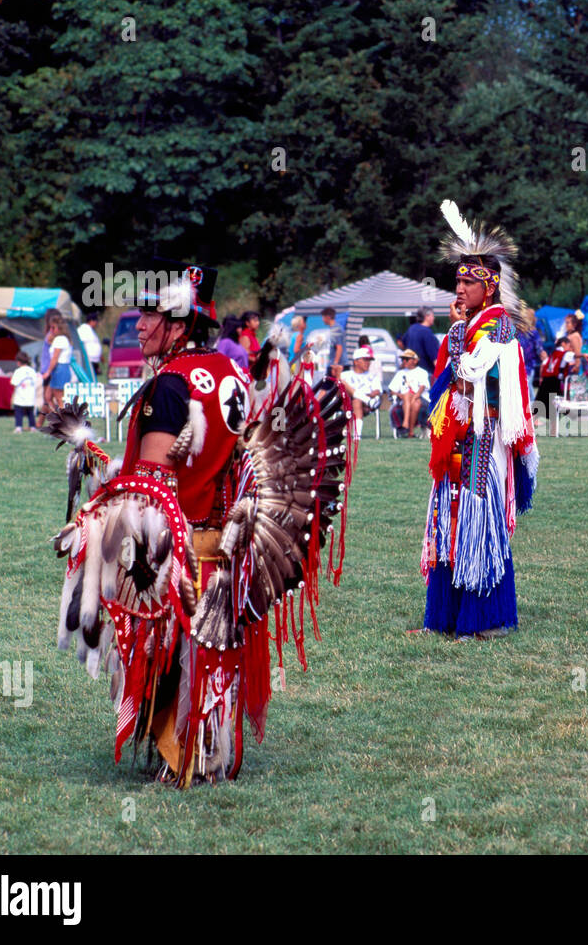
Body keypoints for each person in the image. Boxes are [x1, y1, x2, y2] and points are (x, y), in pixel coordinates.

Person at [43, 265, 354, 787]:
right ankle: (202, 753)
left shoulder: (168, 385)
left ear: (181, 325)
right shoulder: (230, 372)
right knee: (207, 661)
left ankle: (183, 757)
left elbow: (155, 484)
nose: (138, 325)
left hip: (177, 556)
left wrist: (101, 511)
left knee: (174, 655)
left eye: (150, 316)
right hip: (219, 552)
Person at [422, 199, 539, 638]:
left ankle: (486, 619)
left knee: (479, 525)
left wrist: (457, 344)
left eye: (468, 283)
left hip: (485, 442)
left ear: (488, 288)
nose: (459, 291)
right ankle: (446, 617)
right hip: (458, 437)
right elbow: (448, 382)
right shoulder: (464, 328)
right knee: (448, 521)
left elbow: (471, 372)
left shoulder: (497, 327)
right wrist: (455, 338)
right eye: (457, 282)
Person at [340, 347, 383, 438]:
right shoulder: (345, 375)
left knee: (357, 401)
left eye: (369, 360)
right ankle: (357, 435)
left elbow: (377, 391)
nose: (368, 363)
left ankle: (357, 434)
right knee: (341, 382)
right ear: (356, 361)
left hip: (364, 406)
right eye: (365, 360)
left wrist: (364, 396)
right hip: (345, 403)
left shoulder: (373, 376)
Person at [388, 349, 430, 437]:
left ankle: (406, 423)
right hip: (405, 400)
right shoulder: (400, 373)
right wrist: (400, 395)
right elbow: (392, 390)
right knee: (412, 400)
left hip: (421, 398)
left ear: (415, 361)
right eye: (403, 359)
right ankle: (411, 432)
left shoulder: (422, 372)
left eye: (406, 359)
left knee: (414, 400)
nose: (404, 361)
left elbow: (422, 387)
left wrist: (414, 397)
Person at [43, 315, 74, 412]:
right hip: (59, 369)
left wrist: (48, 372)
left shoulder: (60, 339)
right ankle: (57, 416)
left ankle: (64, 420)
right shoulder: (61, 339)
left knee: (59, 398)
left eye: (53, 327)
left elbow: (55, 358)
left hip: (60, 369)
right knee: (48, 396)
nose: (51, 330)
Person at [401, 306, 441, 376]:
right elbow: (435, 358)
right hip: (425, 373)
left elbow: (402, 344)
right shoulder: (427, 333)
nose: (434, 318)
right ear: (427, 316)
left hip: (410, 372)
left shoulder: (411, 329)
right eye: (432, 315)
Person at [10, 351, 40, 432]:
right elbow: (35, 381)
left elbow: (14, 383)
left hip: (20, 396)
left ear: (18, 362)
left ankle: (18, 427)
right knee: (30, 413)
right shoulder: (32, 371)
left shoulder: (18, 371)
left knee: (19, 412)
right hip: (30, 396)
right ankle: (32, 427)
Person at [320, 307, 344, 376]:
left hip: (337, 365)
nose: (322, 319)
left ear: (328, 317)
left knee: (325, 386)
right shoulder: (334, 328)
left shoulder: (336, 329)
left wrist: (335, 365)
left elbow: (339, 347)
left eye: (323, 317)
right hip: (334, 364)